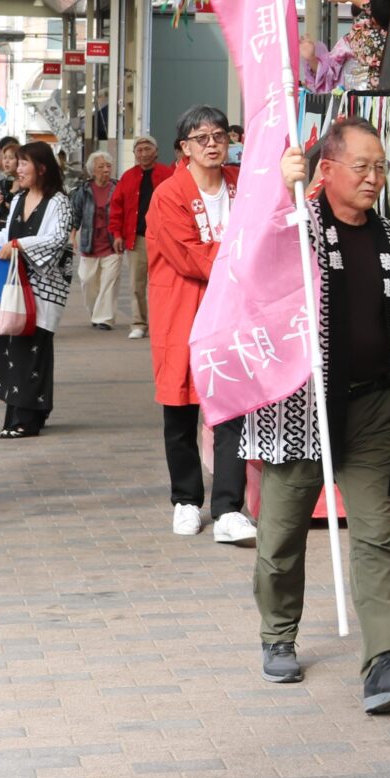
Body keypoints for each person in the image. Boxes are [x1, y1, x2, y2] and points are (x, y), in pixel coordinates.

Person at [247, 119, 390, 713]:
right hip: (302, 406)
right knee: (281, 535)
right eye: (362, 166)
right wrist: (279, 191)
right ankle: (278, 633)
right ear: (325, 171)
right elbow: (248, 255)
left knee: (377, 534)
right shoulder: (293, 230)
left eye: (380, 167)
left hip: (374, 404)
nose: (375, 178)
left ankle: (385, 662)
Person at [146, 106, 256, 545]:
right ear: (183, 148)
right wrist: (243, 259)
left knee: (232, 410)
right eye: (201, 137)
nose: (212, 143)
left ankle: (228, 508)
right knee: (181, 410)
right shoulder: (169, 194)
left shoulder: (240, 185)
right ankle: (186, 500)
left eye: (219, 136)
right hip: (184, 314)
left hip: (232, 315)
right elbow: (189, 256)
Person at [0, 142, 73, 438]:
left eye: (23, 163)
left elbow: (56, 241)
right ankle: (31, 414)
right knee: (14, 348)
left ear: (41, 168)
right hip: (17, 285)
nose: (17, 169)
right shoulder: (18, 199)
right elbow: (8, 234)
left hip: (44, 289)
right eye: (17, 163)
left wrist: (17, 245)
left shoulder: (59, 202)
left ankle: (24, 421)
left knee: (33, 349)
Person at [108, 135, 171, 341]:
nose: (143, 153)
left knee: (162, 283)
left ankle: (162, 323)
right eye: (139, 150)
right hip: (136, 238)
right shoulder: (128, 177)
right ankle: (138, 323)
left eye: (147, 149)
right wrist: (117, 234)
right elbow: (116, 208)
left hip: (163, 238)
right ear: (134, 154)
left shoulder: (167, 174)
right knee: (136, 284)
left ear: (156, 151)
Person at [298, 0, 390, 93]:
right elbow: (329, 74)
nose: (358, 23)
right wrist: (311, 59)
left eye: (366, 16)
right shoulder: (350, 41)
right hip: (351, 103)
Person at [73, 150, 122, 331]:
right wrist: (72, 236)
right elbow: (75, 214)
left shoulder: (117, 188)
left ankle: (105, 318)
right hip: (90, 242)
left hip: (112, 242)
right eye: (101, 167)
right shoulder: (84, 190)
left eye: (108, 166)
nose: (105, 170)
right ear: (92, 170)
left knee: (109, 281)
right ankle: (95, 312)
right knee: (87, 280)